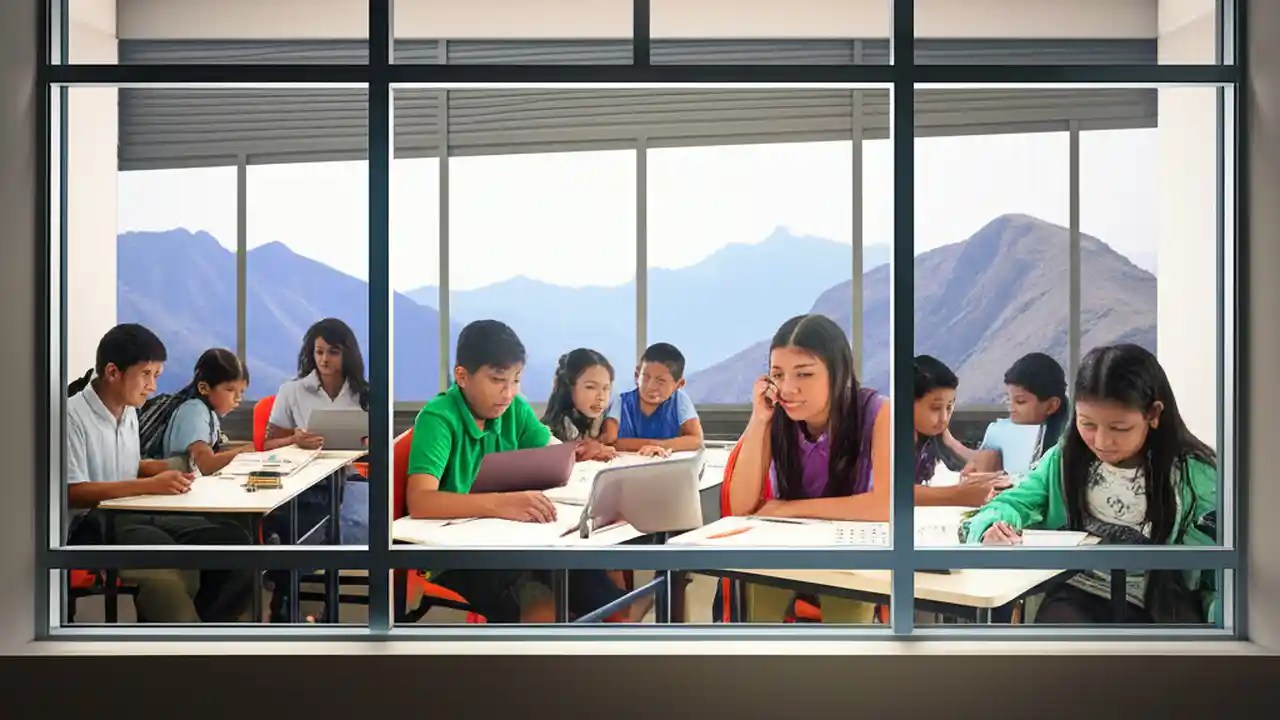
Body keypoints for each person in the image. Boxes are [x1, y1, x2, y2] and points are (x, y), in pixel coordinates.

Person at [406, 320, 645, 623]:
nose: (508, 393)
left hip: (510, 540)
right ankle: (553, 636)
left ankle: (624, 614)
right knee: (541, 584)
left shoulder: (513, 409)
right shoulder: (438, 418)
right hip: (459, 556)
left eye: (516, 380)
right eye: (497, 380)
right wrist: (502, 503)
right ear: (462, 376)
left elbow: (551, 451)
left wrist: (579, 452)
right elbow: (421, 501)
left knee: (582, 573)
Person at [965, 344, 1219, 625]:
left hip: (1162, 601)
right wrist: (993, 527)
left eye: (1119, 428)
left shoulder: (1195, 475)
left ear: (1154, 414)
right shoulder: (1066, 458)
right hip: (1078, 593)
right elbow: (1013, 502)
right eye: (1087, 424)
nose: (1101, 442)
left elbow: (1217, 573)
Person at [65, 324, 253, 623]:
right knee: (166, 568)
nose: (152, 385)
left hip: (134, 510)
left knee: (238, 544)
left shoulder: (128, 411)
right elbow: (72, 492)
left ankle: (204, 634)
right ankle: (182, 651)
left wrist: (156, 471)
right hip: (94, 523)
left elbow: (118, 466)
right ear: (113, 372)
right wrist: (150, 483)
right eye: (146, 374)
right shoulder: (72, 416)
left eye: (157, 376)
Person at [724, 314, 890, 622]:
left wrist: (788, 509)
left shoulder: (878, 412)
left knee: (845, 639)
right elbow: (741, 505)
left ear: (837, 372)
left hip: (850, 553)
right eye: (778, 374)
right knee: (760, 631)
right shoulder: (775, 416)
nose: (787, 388)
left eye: (804, 374)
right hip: (785, 547)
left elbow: (886, 505)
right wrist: (759, 420)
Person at [912, 355, 1009, 507]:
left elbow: (984, 459)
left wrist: (950, 442)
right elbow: (891, 492)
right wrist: (960, 493)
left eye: (949, 407)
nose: (944, 418)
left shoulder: (933, 435)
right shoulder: (890, 439)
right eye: (936, 408)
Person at [964, 352, 1070, 477]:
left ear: (1051, 406)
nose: (1011, 408)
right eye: (1009, 399)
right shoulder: (1001, 430)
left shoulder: (1065, 447)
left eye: (1020, 401)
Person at [158, 348, 254, 475]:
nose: (238, 398)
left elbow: (218, 449)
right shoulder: (194, 411)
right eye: (230, 390)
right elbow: (207, 465)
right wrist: (251, 450)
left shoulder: (209, 413)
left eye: (241, 392)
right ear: (204, 388)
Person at [601, 342, 703, 453]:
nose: (651, 387)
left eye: (660, 381)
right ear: (636, 376)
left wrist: (661, 446)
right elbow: (611, 440)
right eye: (645, 377)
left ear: (679, 384)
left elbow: (696, 440)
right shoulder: (621, 401)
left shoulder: (680, 400)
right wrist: (655, 444)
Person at [540, 348, 619, 461]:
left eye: (606, 388)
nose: (601, 397)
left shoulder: (602, 422)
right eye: (590, 387)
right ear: (568, 387)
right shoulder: (546, 433)